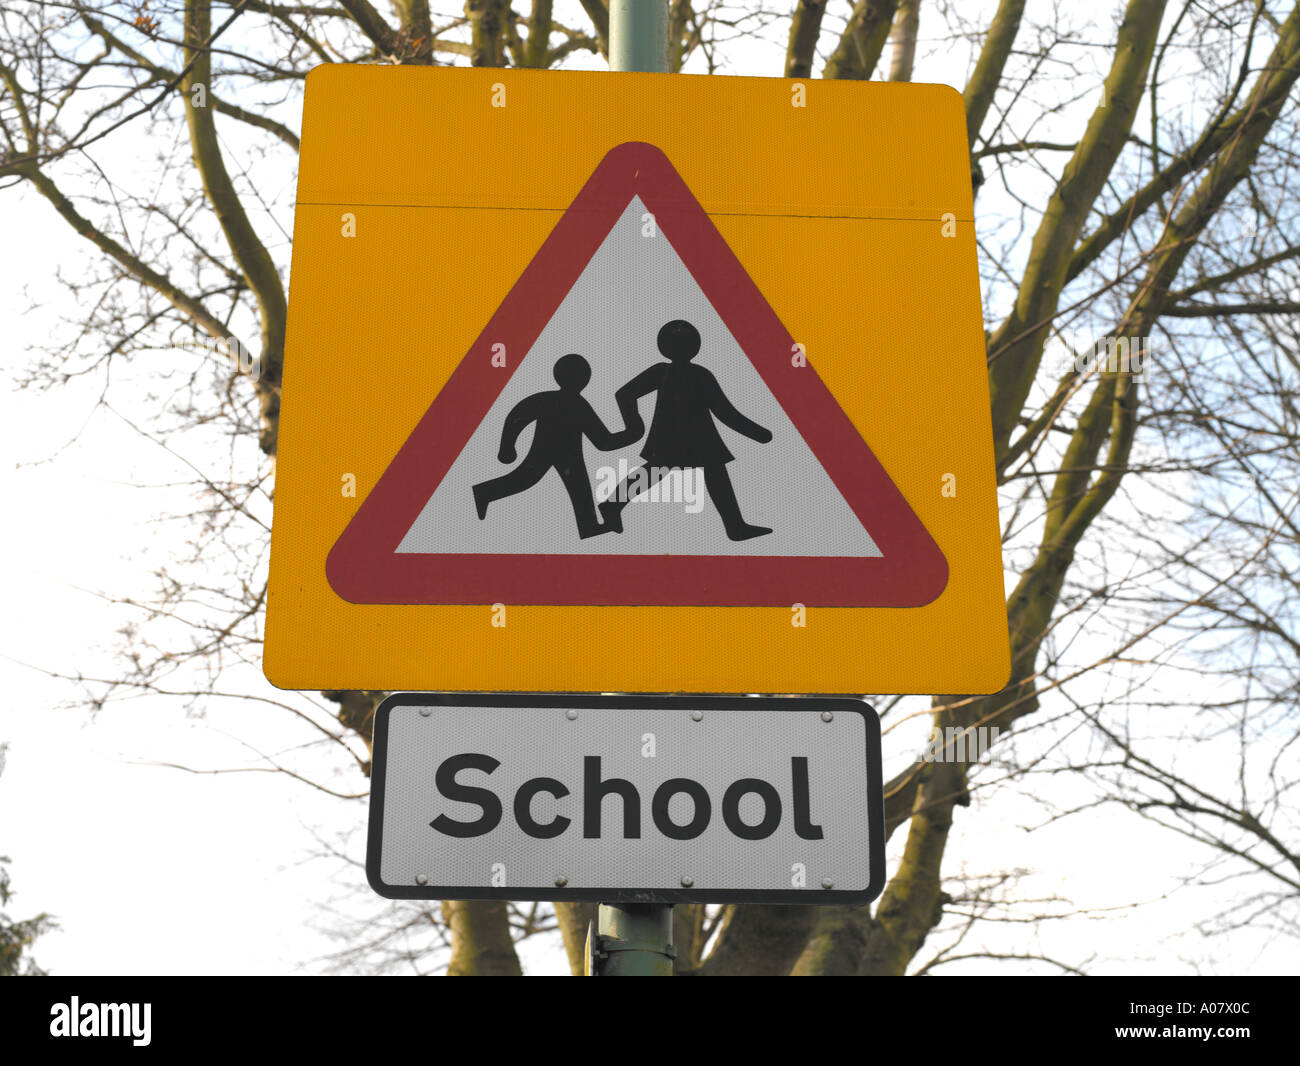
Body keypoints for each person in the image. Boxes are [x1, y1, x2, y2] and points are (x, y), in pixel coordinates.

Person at [601, 319, 773, 541]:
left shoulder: (668, 372)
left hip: (681, 435)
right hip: (691, 435)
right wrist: (758, 433)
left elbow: (624, 395)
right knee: (698, 469)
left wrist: (634, 425)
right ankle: (735, 527)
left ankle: (612, 505)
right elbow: (725, 412)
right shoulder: (696, 374)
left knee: (673, 469)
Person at [473, 353, 636, 538]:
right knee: (532, 480)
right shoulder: (576, 404)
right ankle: (484, 492)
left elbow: (517, 415)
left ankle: (589, 525)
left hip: (564, 454)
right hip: (557, 453)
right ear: (585, 379)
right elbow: (603, 441)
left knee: (557, 484)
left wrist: (507, 446)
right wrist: (632, 433)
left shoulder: (554, 400)